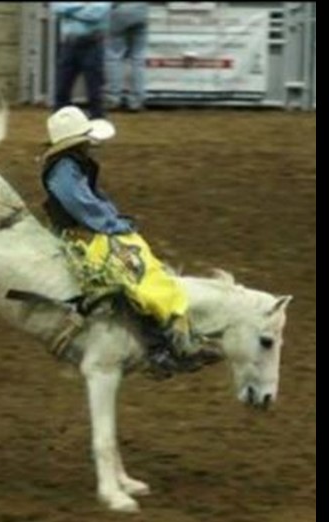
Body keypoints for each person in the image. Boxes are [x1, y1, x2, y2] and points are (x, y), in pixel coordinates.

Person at [39, 106, 220, 377]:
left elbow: (91, 203)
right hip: (85, 240)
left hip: (94, 234)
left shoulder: (70, 166)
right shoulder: (64, 171)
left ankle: (175, 339)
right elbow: (84, 207)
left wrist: (115, 221)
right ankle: (160, 348)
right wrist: (115, 225)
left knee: (146, 272)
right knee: (135, 276)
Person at [50, 2, 112, 119]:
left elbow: (95, 14)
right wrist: (83, 5)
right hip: (69, 45)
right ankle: (59, 121)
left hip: (92, 45)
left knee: (94, 88)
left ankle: (97, 121)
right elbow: (57, 8)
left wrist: (69, 11)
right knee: (62, 86)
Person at [105, 2, 150, 112]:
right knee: (138, 58)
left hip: (120, 9)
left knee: (114, 56)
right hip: (141, 10)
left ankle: (113, 98)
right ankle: (137, 100)